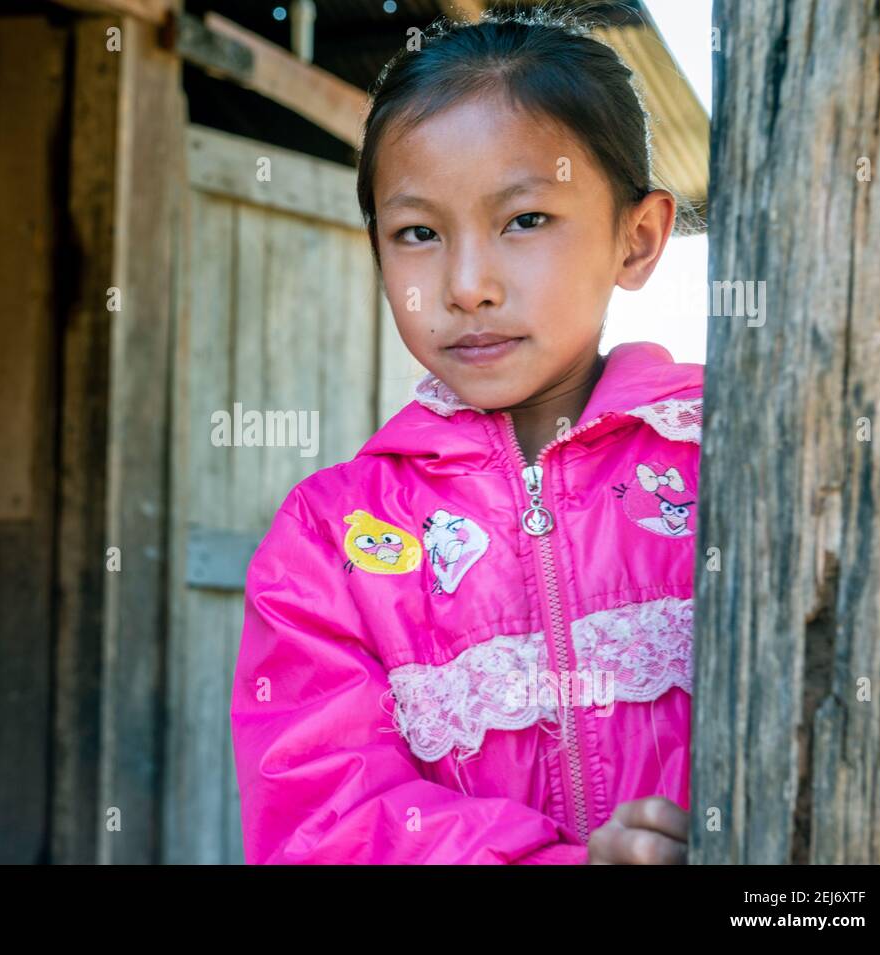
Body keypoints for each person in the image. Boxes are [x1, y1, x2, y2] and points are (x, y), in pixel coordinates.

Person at [229, 8, 702, 864]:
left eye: (524, 219)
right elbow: (323, 822)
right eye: (418, 233)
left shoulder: (730, 467)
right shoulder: (329, 543)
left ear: (638, 238)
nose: (468, 284)